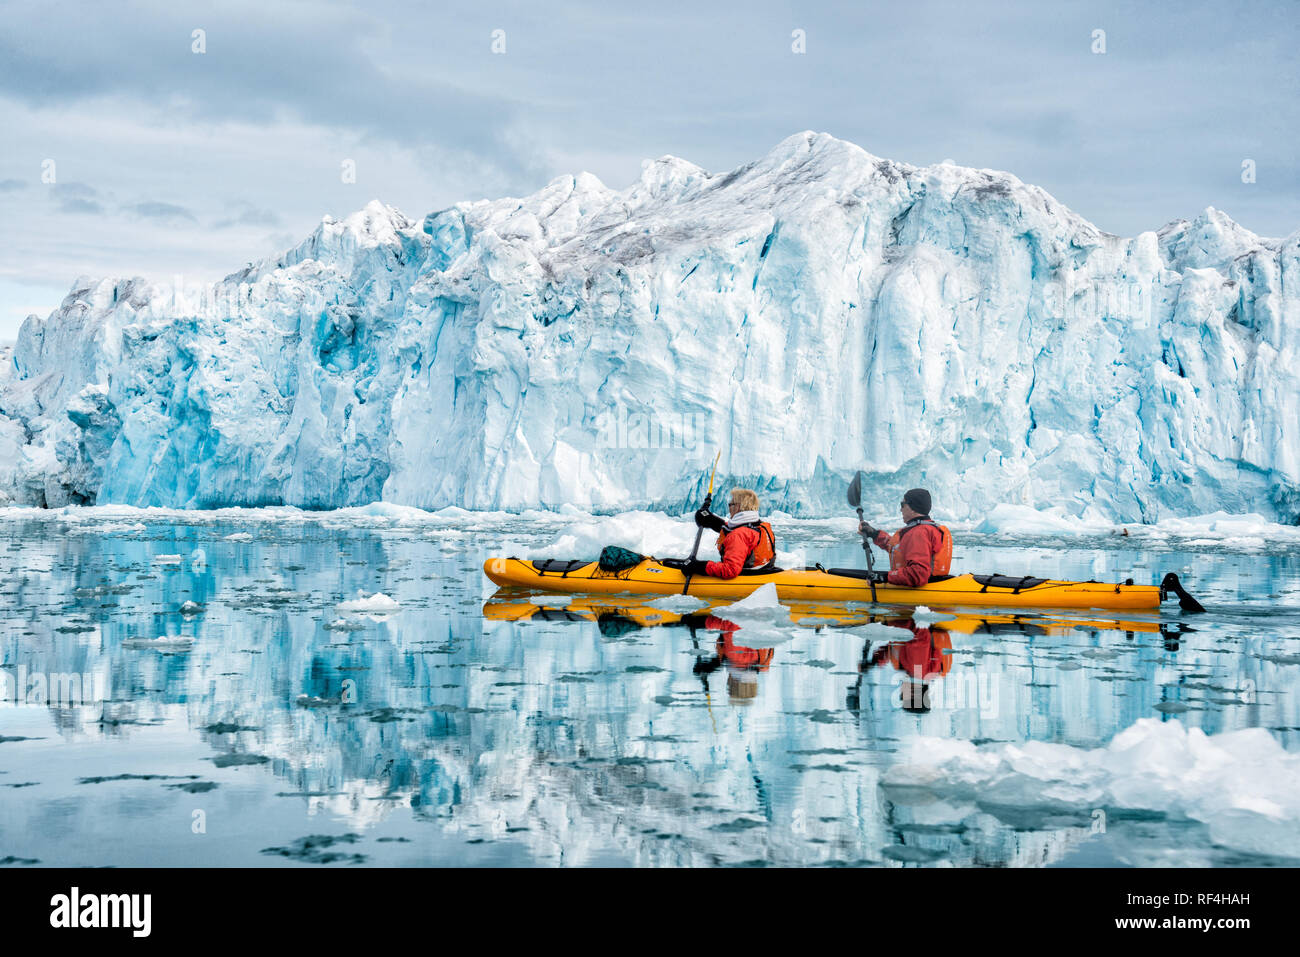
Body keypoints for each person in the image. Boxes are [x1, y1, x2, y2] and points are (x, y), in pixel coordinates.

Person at [662, 488, 777, 580]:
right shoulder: (760, 526)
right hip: (763, 570)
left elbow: (730, 570)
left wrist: (700, 566)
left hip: (746, 576)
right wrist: (711, 520)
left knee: (691, 565)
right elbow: (742, 532)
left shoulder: (738, 536)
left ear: (738, 507)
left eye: (730, 504)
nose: (729, 507)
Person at [858, 487, 952, 589]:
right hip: (934, 583)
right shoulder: (925, 528)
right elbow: (898, 548)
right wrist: (874, 534)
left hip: (922, 588)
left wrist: (884, 577)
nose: (900, 509)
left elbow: (918, 574)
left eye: (902, 505)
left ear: (912, 507)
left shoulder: (919, 532)